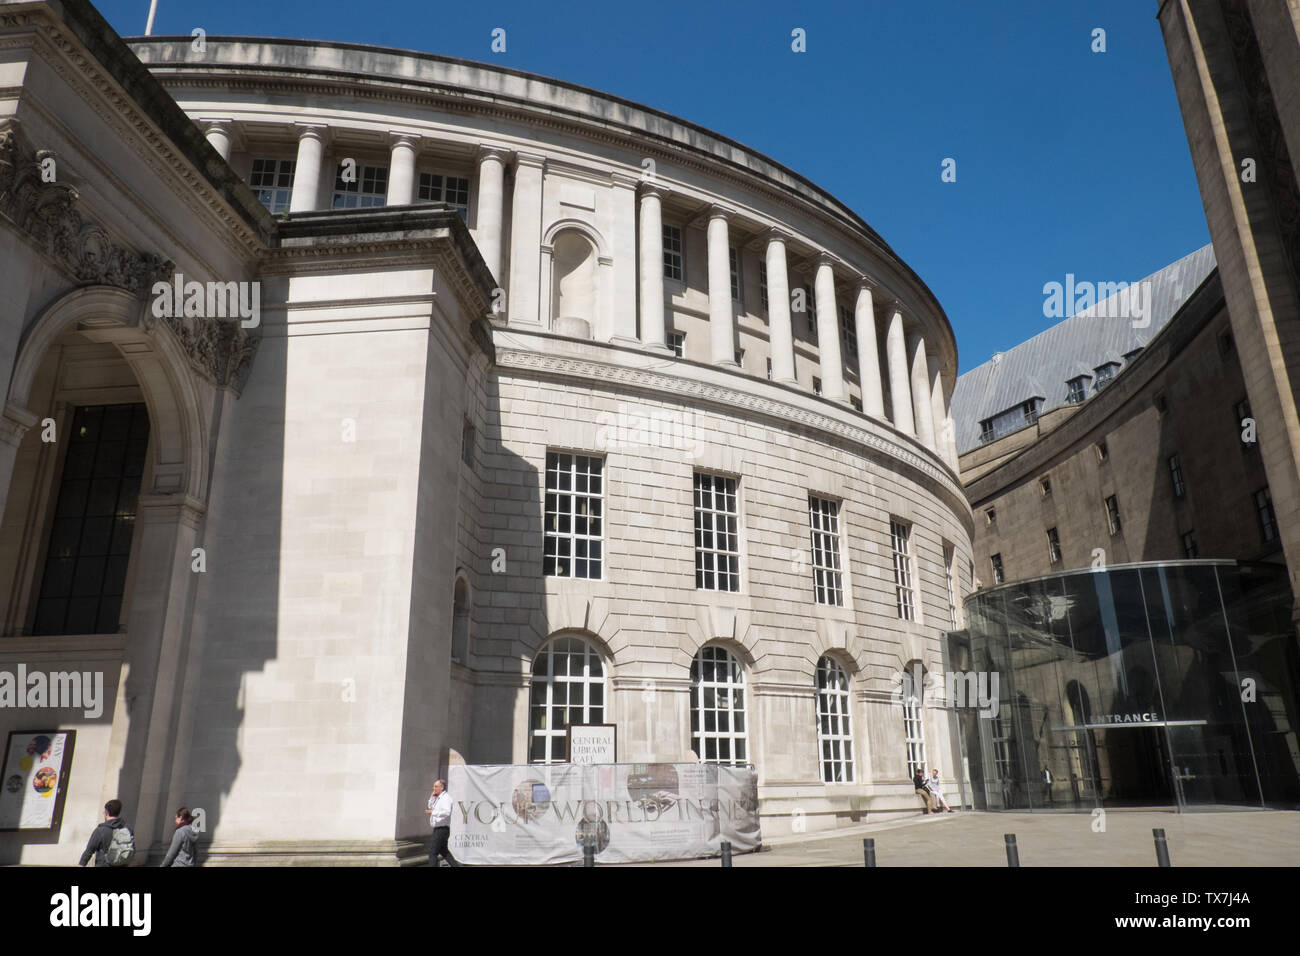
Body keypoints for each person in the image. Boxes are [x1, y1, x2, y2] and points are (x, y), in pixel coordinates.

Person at [78, 799, 134, 867]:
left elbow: (89, 851)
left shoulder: (100, 830)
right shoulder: (127, 830)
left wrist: (81, 864)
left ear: (106, 812)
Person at [424, 779, 459, 867]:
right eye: (434, 786)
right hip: (439, 829)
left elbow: (447, 812)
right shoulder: (439, 798)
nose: (434, 788)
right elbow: (430, 806)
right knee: (444, 851)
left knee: (433, 852)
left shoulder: (446, 798)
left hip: (442, 829)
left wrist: (433, 812)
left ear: (442, 787)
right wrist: (432, 797)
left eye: (436, 786)